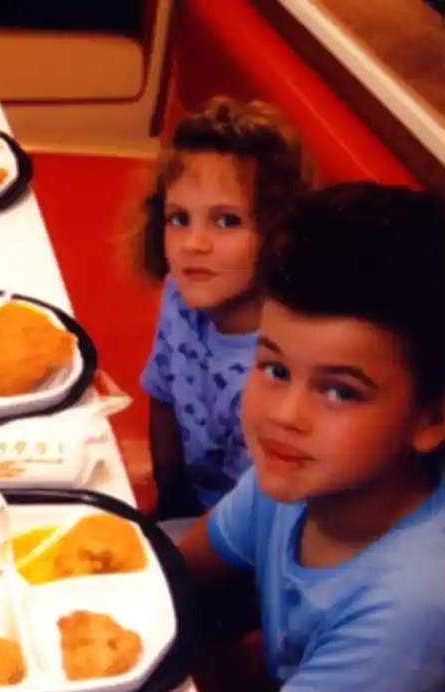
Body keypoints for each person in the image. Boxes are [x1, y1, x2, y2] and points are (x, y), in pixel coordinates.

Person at [178, 183, 445, 692]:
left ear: (433, 419)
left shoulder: (414, 606)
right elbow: (180, 570)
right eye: (275, 370)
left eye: (339, 391)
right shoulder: (291, 470)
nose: (285, 415)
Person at [137, 97, 312, 521]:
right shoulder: (180, 294)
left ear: (277, 232)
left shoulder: (279, 360)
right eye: (179, 218)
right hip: (189, 513)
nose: (193, 243)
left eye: (227, 221)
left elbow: (259, 514)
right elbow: (162, 400)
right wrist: (166, 509)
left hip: (249, 539)